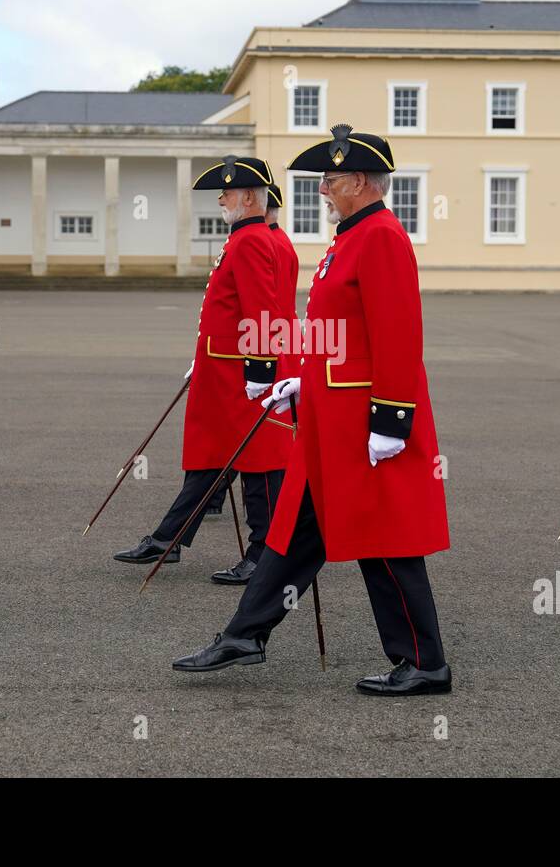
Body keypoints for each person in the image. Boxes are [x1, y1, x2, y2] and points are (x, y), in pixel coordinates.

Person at [173, 125, 452, 695]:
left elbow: (397, 334)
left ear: (357, 182)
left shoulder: (380, 237)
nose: (322, 189)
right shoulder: (352, 237)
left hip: (365, 426)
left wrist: (392, 418)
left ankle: (425, 664)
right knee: (292, 535)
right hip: (332, 419)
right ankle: (245, 635)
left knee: (385, 542)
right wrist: (302, 380)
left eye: (330, 180)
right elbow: (344, 331)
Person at [114, 156, 292, 577]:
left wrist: (260, 371)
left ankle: (262, 552)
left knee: (258, 461)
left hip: (244, 374)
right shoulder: (244, 237)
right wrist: (206, 357)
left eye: (227, 192)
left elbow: (261, 311)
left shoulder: (250, 240)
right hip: (225, 369)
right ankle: (168, 539)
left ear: (249, 197)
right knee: (214, 458)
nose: (220, 199)